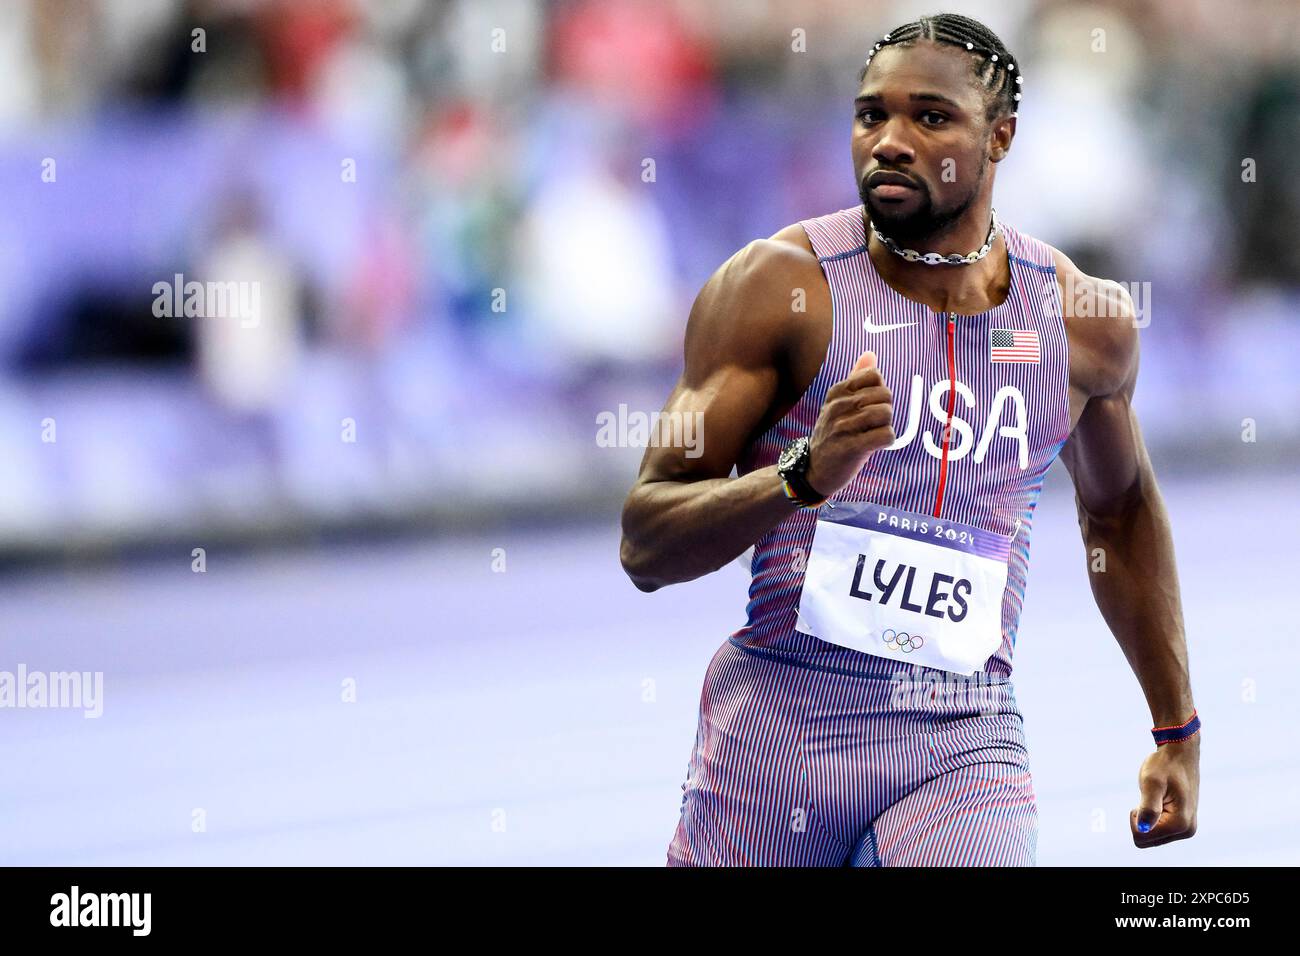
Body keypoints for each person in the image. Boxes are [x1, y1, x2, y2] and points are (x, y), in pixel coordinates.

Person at [619, 13, 1199, 866]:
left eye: (930, 118)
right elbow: (645, 539)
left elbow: (1120, 513)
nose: (889, 141)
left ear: (1000, 137)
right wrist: (797, 477)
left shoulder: (1083, 322)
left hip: (965, 740)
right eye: (870, 115)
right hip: (779, 739)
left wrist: (1176, 728)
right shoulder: (776, 290)